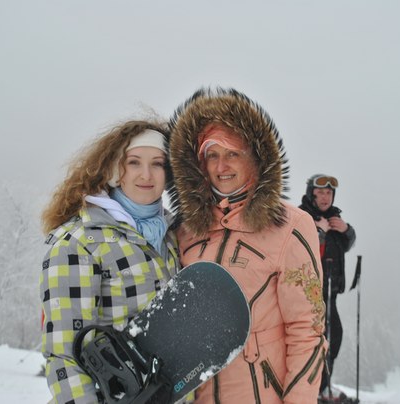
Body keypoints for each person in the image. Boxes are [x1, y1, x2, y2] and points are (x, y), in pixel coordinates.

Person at [168, 87, 327, 404]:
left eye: (232, 154)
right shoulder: (184, 230)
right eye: (212, 156)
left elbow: (307, 330)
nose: (221, 167)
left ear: (254, 157)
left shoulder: (290, 226)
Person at [39, 120, 181, 404]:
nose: (146, 174)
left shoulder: (172, 236)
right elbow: (64, 356)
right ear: (116, 170)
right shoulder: (80, 242)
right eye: (134, 162)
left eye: (157, 164)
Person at [298, 174, 356, 398]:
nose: (325, 197)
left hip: (330, 294)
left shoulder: (334, 218)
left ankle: (322, 386)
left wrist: (346, 230)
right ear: (311, 194)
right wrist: (319, 232)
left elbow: (347, 244)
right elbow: (300, 250)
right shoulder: (301, 217)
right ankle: (313, 389)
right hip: (307, 296)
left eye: (329, 193)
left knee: (333, 337)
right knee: (313, 342)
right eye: (320, 192)